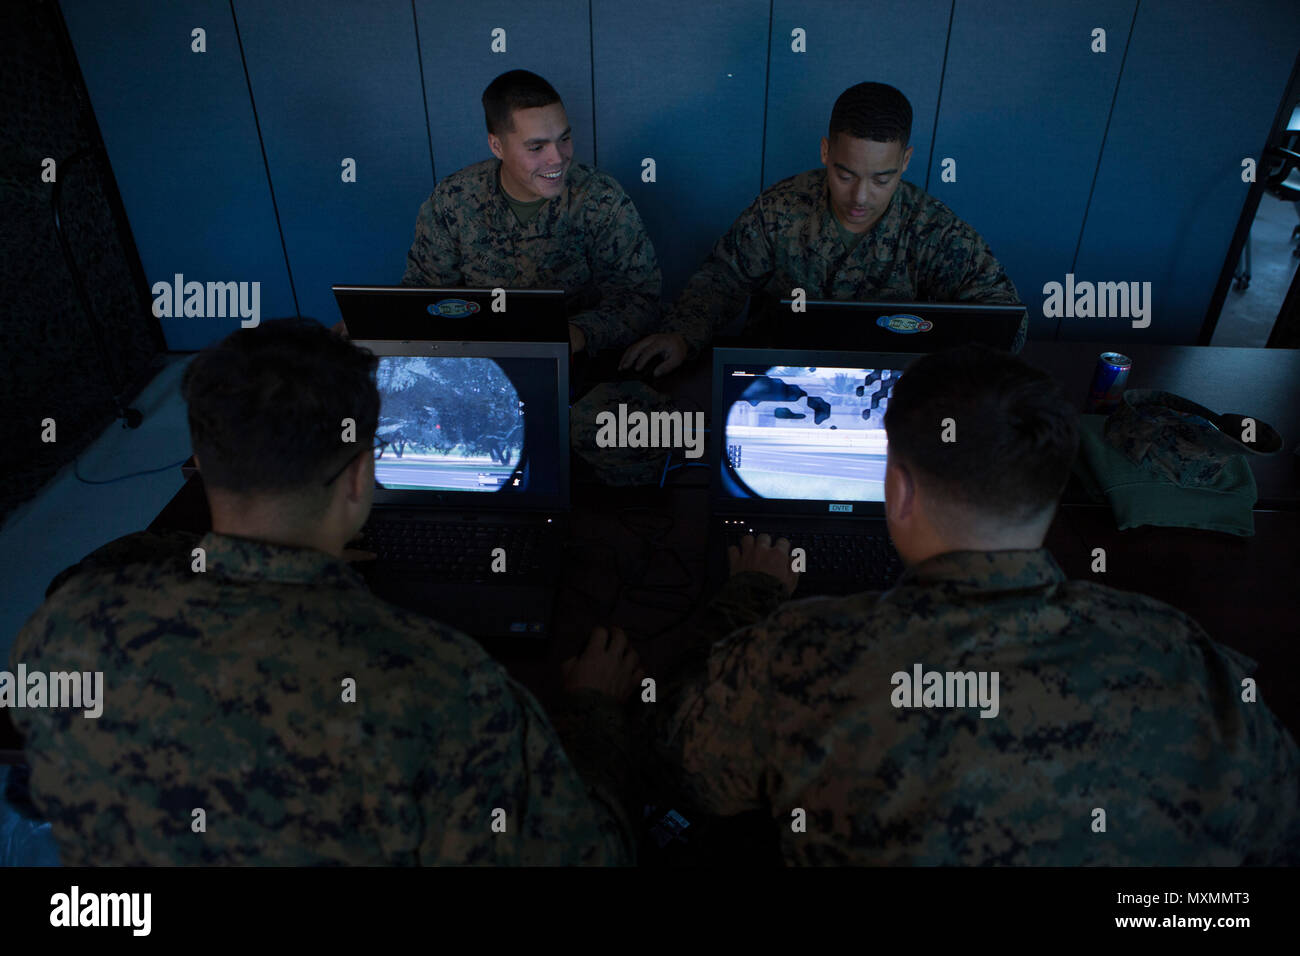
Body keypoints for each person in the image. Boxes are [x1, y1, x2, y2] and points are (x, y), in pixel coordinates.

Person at [9, 318, 642, 865]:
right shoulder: (448, 685)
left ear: (198, 465)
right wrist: (592, 711)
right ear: (361, 476)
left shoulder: (65, 625)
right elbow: (594, 854)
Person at [654, 344, 1300, 865]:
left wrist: (748, 599)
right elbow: (1278, 831)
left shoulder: (798, 654)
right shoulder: (1188, 659)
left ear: (899, 491)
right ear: (1053, 494)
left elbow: (687, 769)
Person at [621, 82, 1023, 377]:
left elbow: (1004, 318)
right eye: (845, 175)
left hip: (888, 389)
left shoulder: (933, 230)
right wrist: (681, 335)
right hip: (779, 379)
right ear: (826, 152)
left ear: (905, 161)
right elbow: (722, 278)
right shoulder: (781, 209)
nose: (860, 197)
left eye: (882, 179)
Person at [403, 69, 661, 357]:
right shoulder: (453, 200)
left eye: (564, 139)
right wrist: (379, 325)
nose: (558, 158)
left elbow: (640, 297)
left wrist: (579, 333)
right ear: (497, 146)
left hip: (582, 369)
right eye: (537, 147)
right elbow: (423, 296)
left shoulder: (600, 197)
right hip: (484, 370)